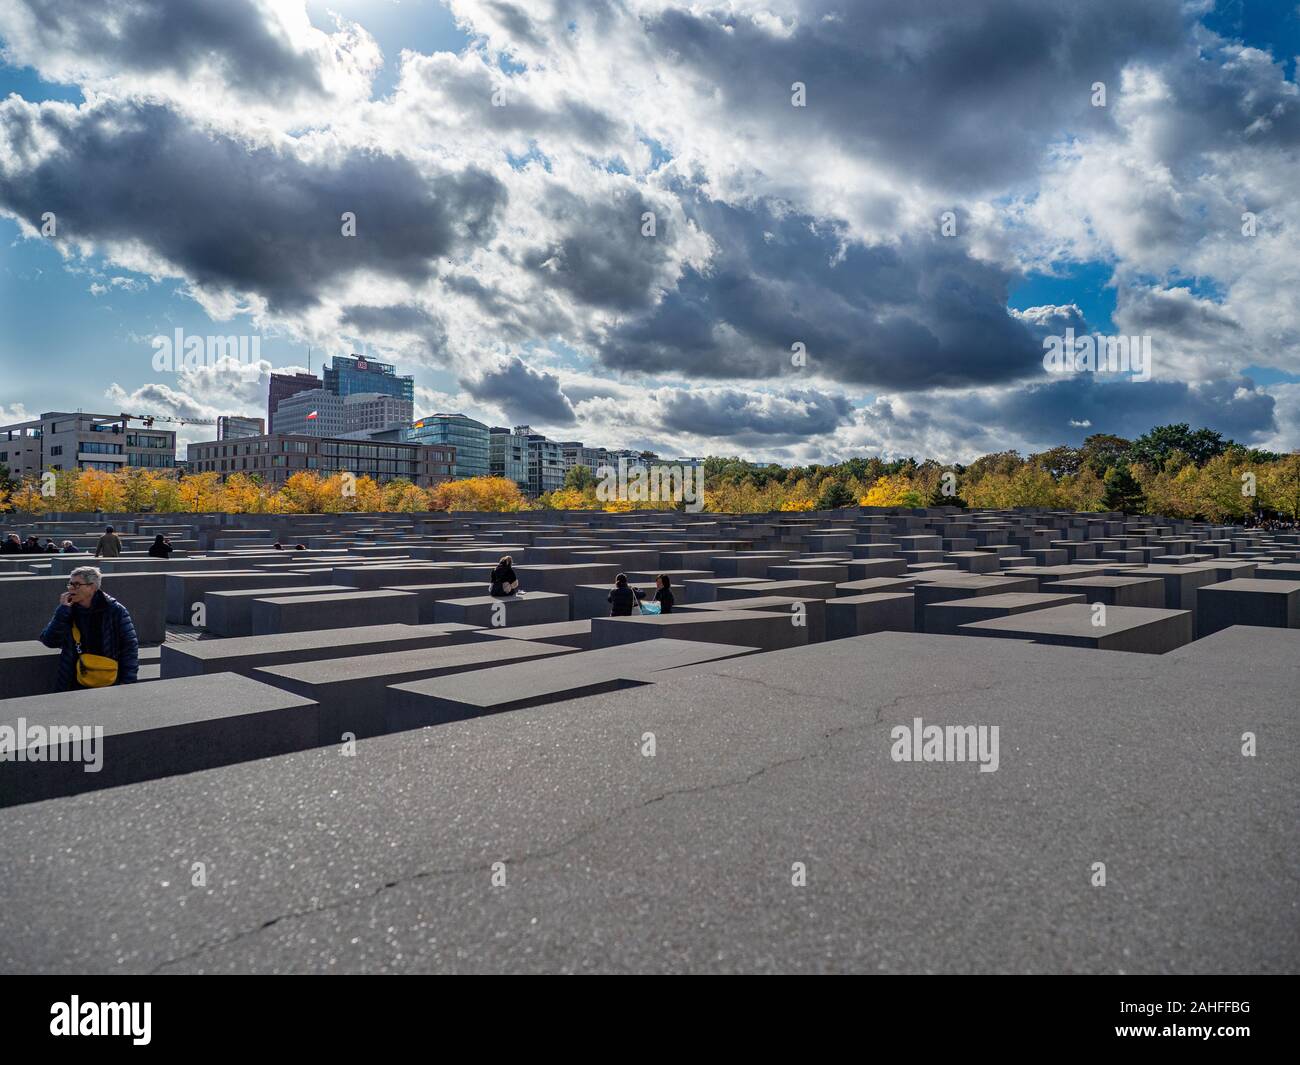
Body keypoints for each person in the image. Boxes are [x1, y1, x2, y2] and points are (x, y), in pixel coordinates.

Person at [39, 566, 139, 690]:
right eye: (70, 584)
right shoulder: (67, 610)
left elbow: (129, 647)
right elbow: (49, 641)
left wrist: (128, 682)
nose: (70, 588)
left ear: (92, 587)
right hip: (72, 680)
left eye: (76, 584)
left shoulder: (115, 610)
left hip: (107, 679)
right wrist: (62, 612)